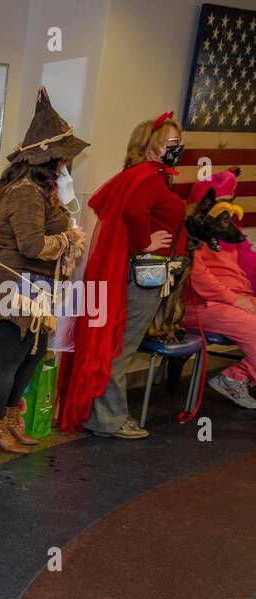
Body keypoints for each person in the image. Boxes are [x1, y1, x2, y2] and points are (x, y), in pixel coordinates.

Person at [57, 112, 186, 437]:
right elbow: (131, 212)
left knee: (116, 342)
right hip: (143, 276)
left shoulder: (143, 175)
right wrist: (146, 242)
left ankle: (101, 414)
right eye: (171, 142)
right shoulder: (147, 177)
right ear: (151, 145)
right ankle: (109, 419)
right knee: (121, 345)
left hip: (139, 273)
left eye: (178, 142)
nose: (177, 147)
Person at [0, 88, 88, 452]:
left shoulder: (42, 192)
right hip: (15, 286)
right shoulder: (25, 193)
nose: (64, 165)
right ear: (48, 158)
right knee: (10, 357)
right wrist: (69, 238)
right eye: (62, 159)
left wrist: (68, 207)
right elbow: (34, 246)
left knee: (33, 354)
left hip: (36, 289)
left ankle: (9, 419)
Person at [181, 170, 256, 409]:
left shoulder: (230, 233)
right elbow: (198, 277)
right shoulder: (192, 232)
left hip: (236, 301)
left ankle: (237, 375)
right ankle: (234, 379)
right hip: (204, 305)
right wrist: (235, 300)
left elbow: (246, 268)